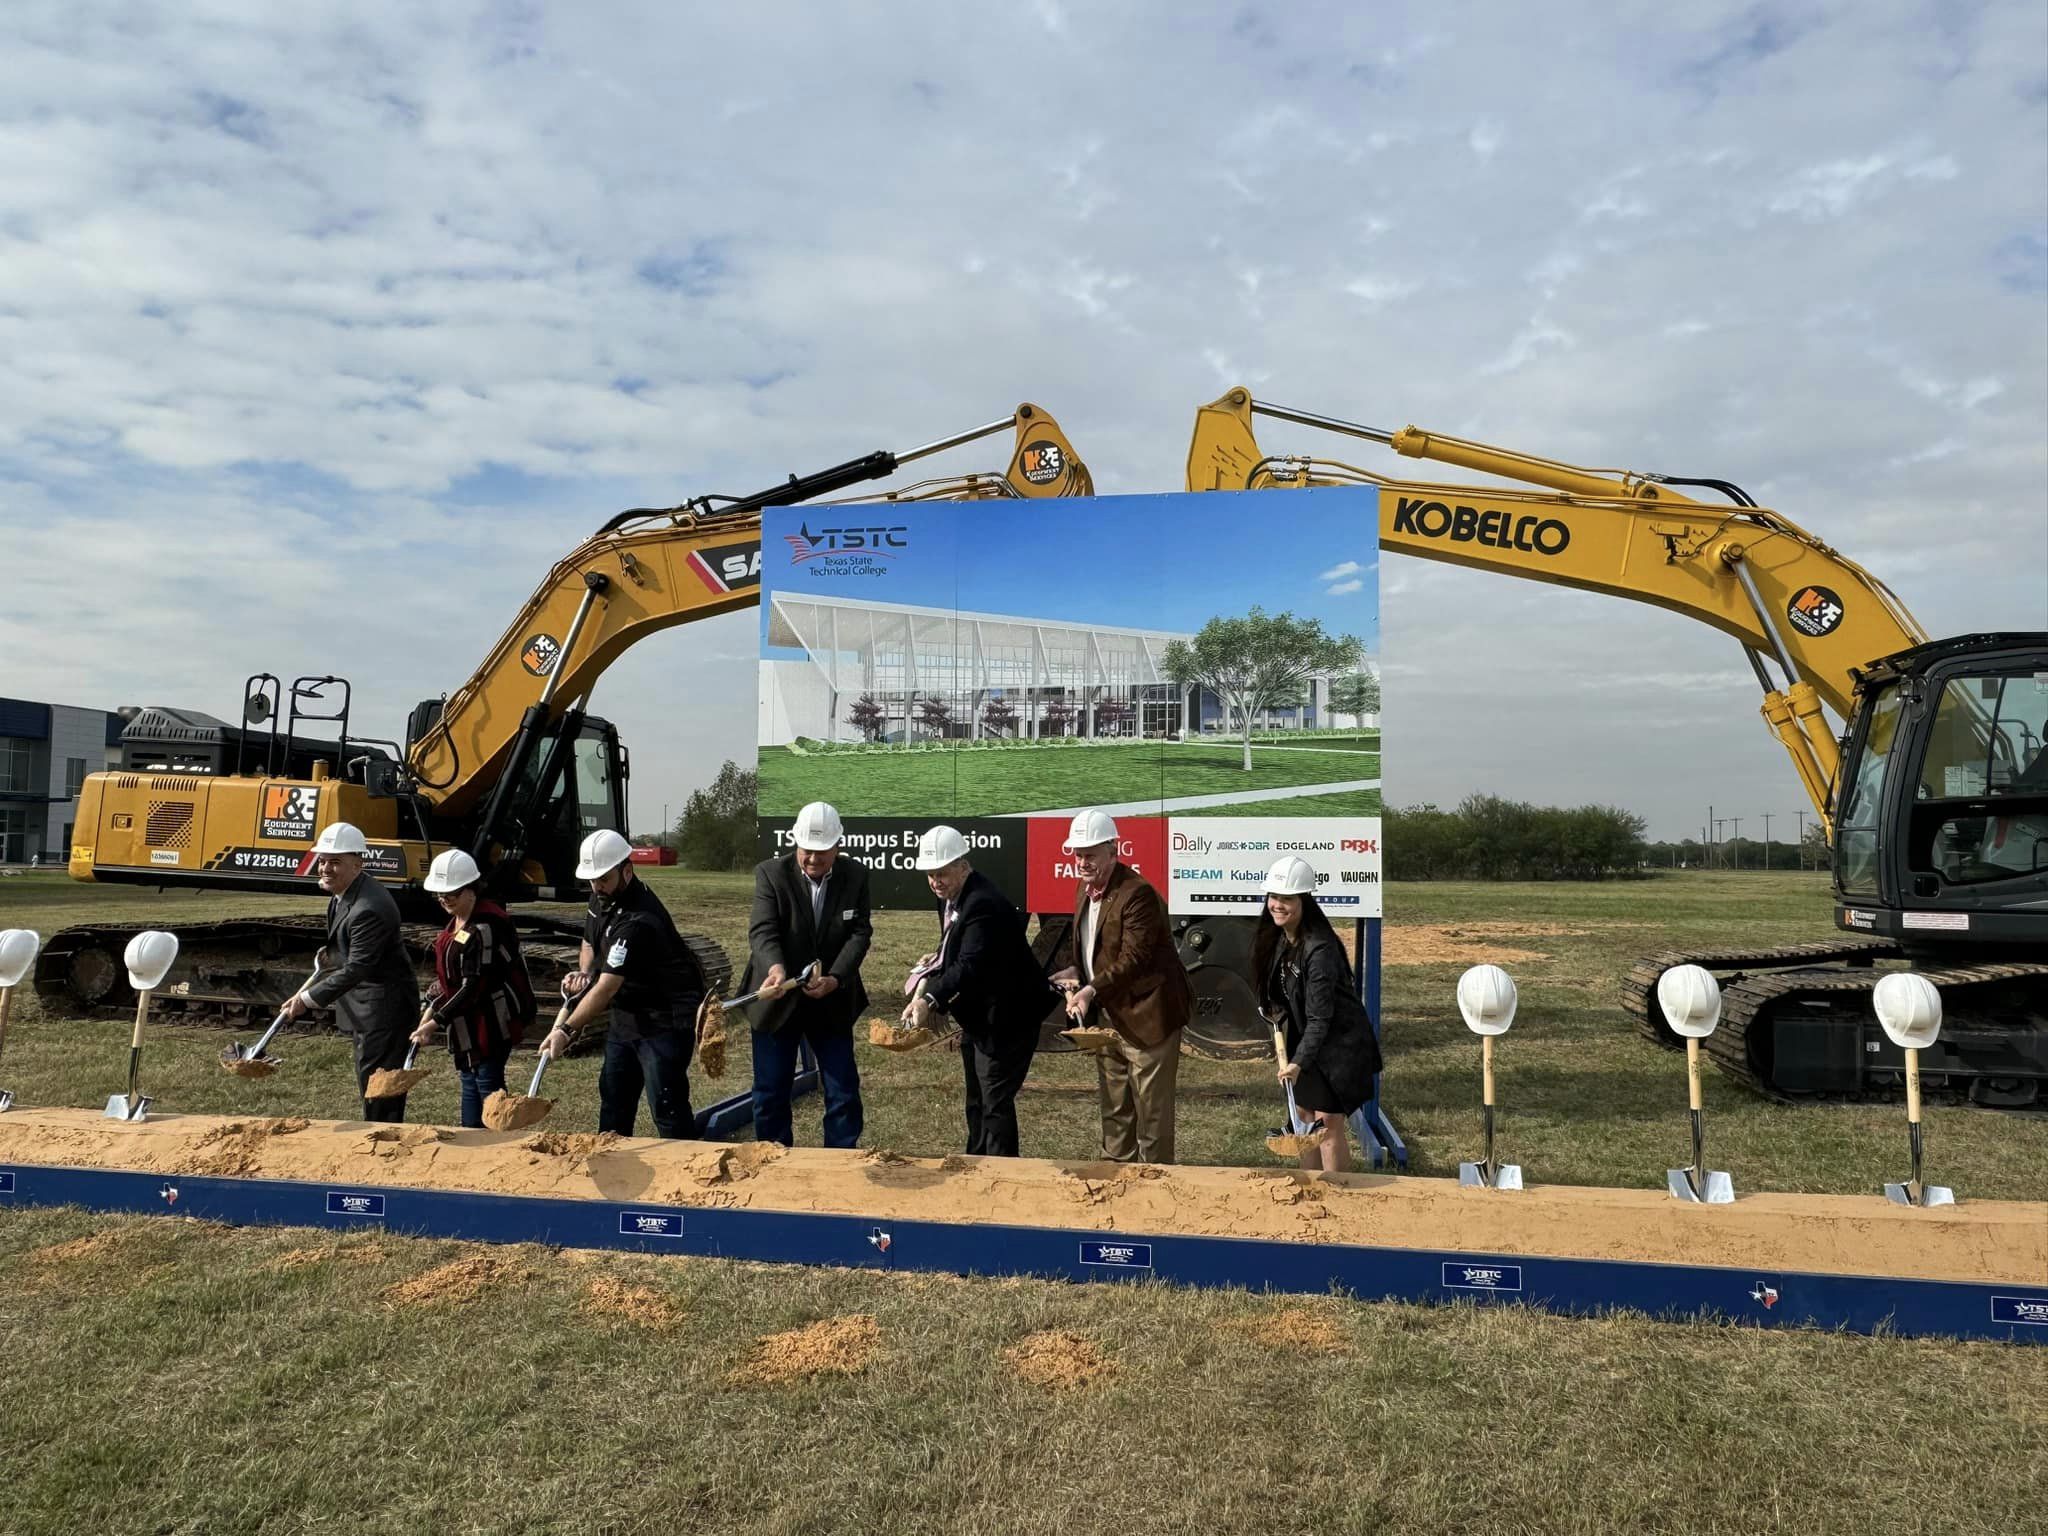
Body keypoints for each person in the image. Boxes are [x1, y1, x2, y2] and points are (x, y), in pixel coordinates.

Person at [902, 824, 1055, 1157]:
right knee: (977, 1098)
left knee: (994, 1101)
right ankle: (975, 1162)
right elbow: (957, 950)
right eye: (930, 875)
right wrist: (936, 963)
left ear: (963, 866)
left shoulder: (982, 902)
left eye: (941, 873)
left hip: (1008, 1017)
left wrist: (930, 1000)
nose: (935, 881)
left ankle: (1002, 1174)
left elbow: (970, 964)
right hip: (980, 1015)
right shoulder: (951, 895)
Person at [541, 829, 705, 1139]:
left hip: (664, 1020)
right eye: (591, 880)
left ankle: (684, 1167)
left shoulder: (639, 919)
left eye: (602, 879)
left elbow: (607, 988)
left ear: (626, 870)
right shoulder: (601, 893)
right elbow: (590, 940)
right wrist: (585, 971)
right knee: (614, 1098)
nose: (595, 886)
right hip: (627, 1016)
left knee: (666, 1105)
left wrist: (566, 1030)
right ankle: (613, 1166)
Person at [1051, 809, 1192, 1164]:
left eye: (1090, 855)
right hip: (1110, 1017)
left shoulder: (1137, 894)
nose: (1082, 862)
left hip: (1148, 1018)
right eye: (1078, 854)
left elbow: (1134, 959)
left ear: (1113, 850)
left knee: (1152, 1117)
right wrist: (1076, 972)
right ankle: (1114, 1179)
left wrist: (1090, 991)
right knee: (1115, 1110)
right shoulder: (1084, 891)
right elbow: (1093, 949)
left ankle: (1157, 1186)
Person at [742, 800, 873, 1148]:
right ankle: (773, 1161)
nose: (813, 859)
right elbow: (762, 930)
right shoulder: (771, 874)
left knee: (843, 1090)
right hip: (778, 998)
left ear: (837, 847)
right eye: (807, 851)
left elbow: (860, 932)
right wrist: (775, 968)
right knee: (770, 1092)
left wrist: (836, 978)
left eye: (822, 852)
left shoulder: (856, 876)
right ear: (795, 844)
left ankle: (840, 1163)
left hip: (830, 999)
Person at [280, 821, 419, 1123]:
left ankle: (383, 1141)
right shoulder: (344, 894)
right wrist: (333, 954)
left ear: (357, 864)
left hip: (384, 1011)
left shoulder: (369, 906)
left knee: (380, 1086)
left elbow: (359, 966)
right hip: (367, 1006)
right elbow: (350, 951)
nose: (325, 868)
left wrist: (307, 999)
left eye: (335, 862)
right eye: (323, 860)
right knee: (370, 1079)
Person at [1251, 855, 1382, 1173]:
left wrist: (1297, 1063)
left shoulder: (1319, 949)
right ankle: (1311, 1187)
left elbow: (1321, 1019)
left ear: (1304, 900)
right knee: (1304, 1119)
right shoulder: (1283, 937)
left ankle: (1338, 1195)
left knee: (1326, 1124)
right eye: (1274, 896)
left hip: (1337, 1050)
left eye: (1287, 898)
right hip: (1308, 1045)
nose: (1278, 905)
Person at [409, 848, 536, 1129]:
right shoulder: (458, 919)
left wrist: (436, 1021)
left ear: (470, 890)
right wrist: (439, 993)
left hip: (489, 1021)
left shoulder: (485, 928)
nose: (443, 899)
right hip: (466, 1022)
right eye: (439, 894)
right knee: (469, 1078)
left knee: (487, 1084)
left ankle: (497, 1144)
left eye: (451, 893)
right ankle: (471, 1139)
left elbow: (475, 985)